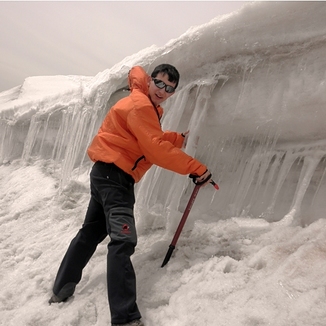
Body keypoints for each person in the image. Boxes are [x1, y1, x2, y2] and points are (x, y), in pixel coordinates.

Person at [49, 64, 212, 326]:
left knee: (90, 233)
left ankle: (61, 289)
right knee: (123, 241)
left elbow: (147, 137)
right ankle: (124, 318)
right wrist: (196, 169)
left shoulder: (140, 103)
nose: (163, 90)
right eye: (159, 83)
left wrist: (178, 138)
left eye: (170, 88)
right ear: (149, 81)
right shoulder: (141, 105)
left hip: (105, 173)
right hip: (115, 179)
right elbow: (154, 149)